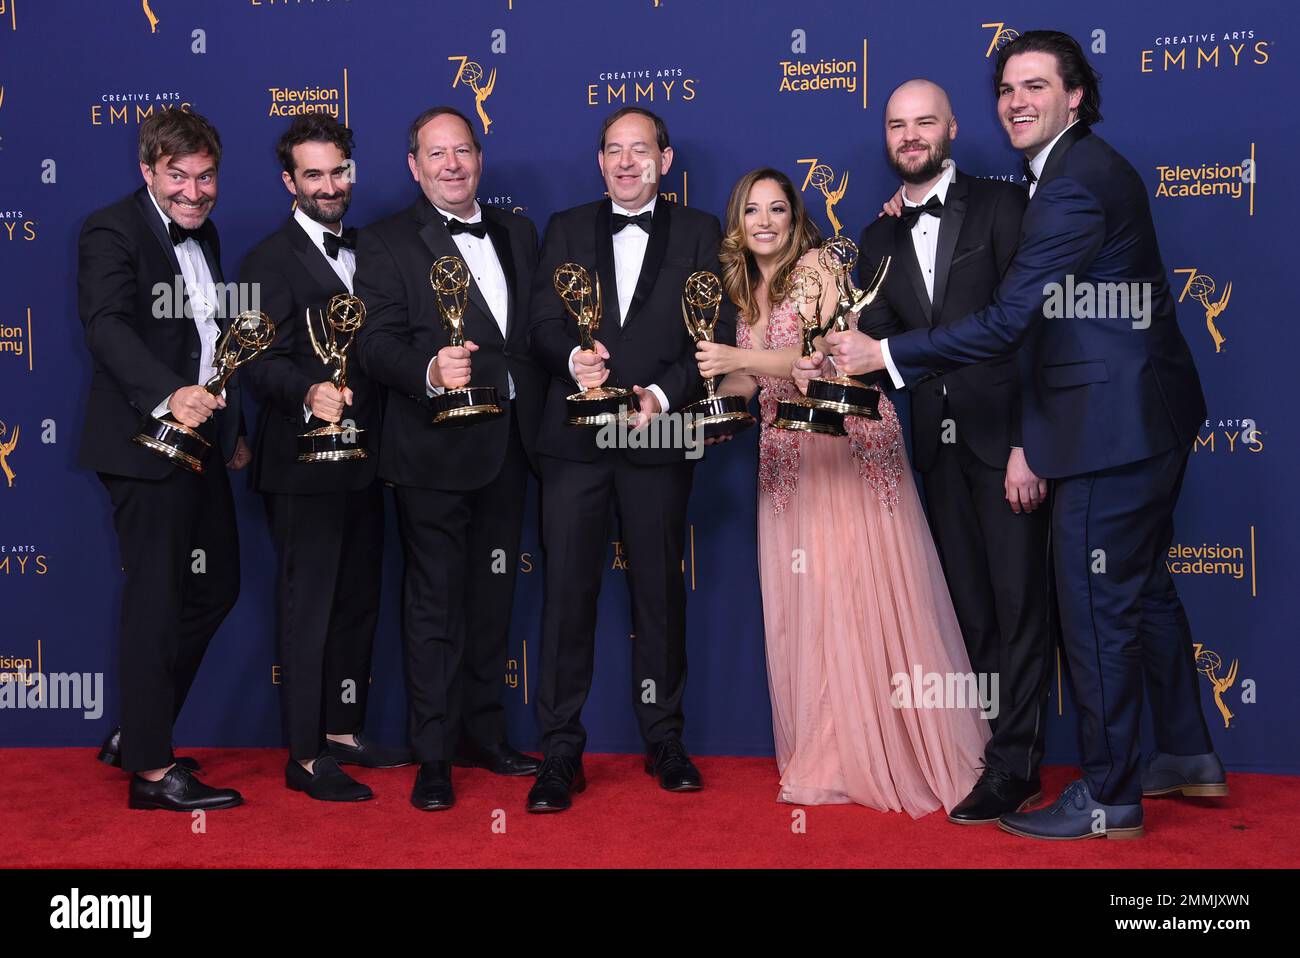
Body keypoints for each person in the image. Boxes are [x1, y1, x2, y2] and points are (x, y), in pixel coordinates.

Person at [811, 31, 1225, 839]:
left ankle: (1109, 794)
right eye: (1008, 87)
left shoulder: (1066, 188)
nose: (1018, 101)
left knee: (1096, 606)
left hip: (1110, 430)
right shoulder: (1060, 177)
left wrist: (884, 354)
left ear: (1076, 96)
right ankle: (1184, 754)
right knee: (1142, 591)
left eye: (1036, 86)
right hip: (1137, 419)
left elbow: (1008, 324)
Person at [698, 168, 988, 816]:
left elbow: (825, 357)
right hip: (786, 457)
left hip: (844, 443)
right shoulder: (742, 287)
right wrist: (715, 408)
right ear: (738, 224)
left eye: (777, 209)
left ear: (796, 216)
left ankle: (904, 750)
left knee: (864, 595)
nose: (765, 222)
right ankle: (833, 749)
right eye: (752, 211)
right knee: (813, 605)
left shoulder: (821, 266)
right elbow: (745, 382)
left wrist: (732, 358)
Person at [855, 80, 1053, 825]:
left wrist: (1028, 445)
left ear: (952, 129)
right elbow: (868, 344)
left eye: (924, 123)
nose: (910, 136)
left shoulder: (1005, 208)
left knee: (1020, 606)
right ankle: (996, 753)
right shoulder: (874, 238)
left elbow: (1034, 331)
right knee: (972, 612)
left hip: (1007, 447)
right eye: (897, 125)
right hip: (932, 454)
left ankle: (1017, 766)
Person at [526, 107, 731, 812]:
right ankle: (559, 752)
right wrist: (571, 357)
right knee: (566, 600)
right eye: (612, 150)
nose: (624, 162)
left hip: (658, 438)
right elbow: (541, 324)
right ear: (600, 161)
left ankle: (665, 741)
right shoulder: (564, 227)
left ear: (665, 161)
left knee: (659, 595)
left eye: (639, 150)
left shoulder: (703, 232)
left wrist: (663, 395)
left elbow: (718, 330)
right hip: (574, 445)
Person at [354, 106, 545, 811]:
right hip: (429, 454)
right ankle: (432, 753)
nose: (453, 165)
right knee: (434, 607)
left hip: (508, 451)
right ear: (414, 165)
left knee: (493, 600)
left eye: (463, 151)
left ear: (479, 157)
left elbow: (534, 336)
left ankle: (481, 735)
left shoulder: (520, 233)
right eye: (438, 154)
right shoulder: (383, 243)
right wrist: (430, 371)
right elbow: (372, 345)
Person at [79, 109, 248, 811]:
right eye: (177, 175)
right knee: (155, 602)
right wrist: (167, 395)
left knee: (216, 588)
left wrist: (228, 426)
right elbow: (107, 325)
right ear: (147, 170)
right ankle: (152, 772)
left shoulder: (205, 234)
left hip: (201, 444)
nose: (193, 190)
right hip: (143, 444)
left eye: (205, 176)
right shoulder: (110, 229)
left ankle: (138, 732)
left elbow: (210, 339)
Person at [240, 112, 411, 803]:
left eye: (339, 171)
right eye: (314, 174)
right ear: (290, 181)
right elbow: (254, 362)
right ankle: (305, 756)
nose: (330, 185)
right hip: (301, 466)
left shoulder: (371, 250)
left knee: (356, 604)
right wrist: (308, 390)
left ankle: (344, 731)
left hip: (366, 462)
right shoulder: (264, 260)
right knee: (308, 609)